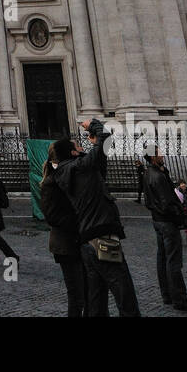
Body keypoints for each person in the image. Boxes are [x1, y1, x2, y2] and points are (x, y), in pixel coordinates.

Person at [56, 119, 139, 317]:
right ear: (73, 153)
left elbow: (99, 157)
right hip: (103, 238)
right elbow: (105, 139)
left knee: (96, 299)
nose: (82, 146)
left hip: (87, 242)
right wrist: (93, 124)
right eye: (77, 146)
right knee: (123, 290)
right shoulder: (83, 167)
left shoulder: (70, 172)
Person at [141, 153, 187, 312]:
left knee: (162, 258)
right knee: (173, 260)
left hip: (157, 220)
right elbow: (167, 202)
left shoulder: (148, 173)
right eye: (159, 153)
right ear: (153, 158)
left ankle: (166, 294)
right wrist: (180, 217)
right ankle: (180, 299)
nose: (163, 155)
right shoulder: (159, 176)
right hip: (167, 221)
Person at [40, 139, 86, 316]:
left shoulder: (70, 177)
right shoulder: (52, 182)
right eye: (77, 148)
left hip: (76, 241)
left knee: (86, 291)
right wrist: (78, 223)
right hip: (66, 244)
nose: (81, 150)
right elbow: (53, 216)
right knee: (76, 294)